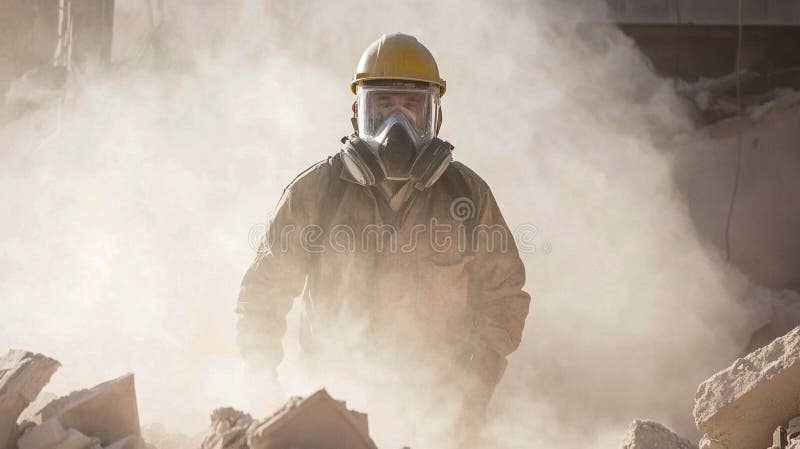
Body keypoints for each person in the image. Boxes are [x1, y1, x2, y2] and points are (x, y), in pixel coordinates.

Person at [236, 32, 530, 428]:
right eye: (384, 106)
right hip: (331, 405)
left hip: (439, 408)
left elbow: (504, 297)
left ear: (435, 117)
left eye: (412, 106)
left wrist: (472, 388)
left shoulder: (467, 196)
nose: (398, 124)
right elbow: (263, 293)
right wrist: (261, 374)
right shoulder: (316, 193)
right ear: (358, 114)